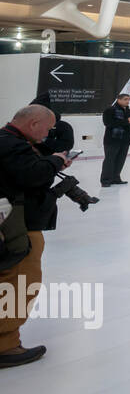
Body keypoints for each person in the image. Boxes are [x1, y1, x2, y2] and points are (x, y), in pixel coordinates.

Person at [0, 105, 71, 368]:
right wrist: (55, 161)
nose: (48, 133)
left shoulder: (7, 141)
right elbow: (32, 176)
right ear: (33, 124)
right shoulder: (14, 146)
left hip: (9, 223)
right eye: (47, 128)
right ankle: (5, 346)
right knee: (18, 283)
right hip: (18, 227)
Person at [100, 92, 130, 186]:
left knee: (120, 160)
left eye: (128, 99)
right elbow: (108, 123)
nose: (127, 101)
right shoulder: (109, 110)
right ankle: (105, 181)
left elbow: (129, 125)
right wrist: (127, 121)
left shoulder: (129, 111)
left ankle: (116, 178)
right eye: (125, 99)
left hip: (125, 140)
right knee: (110, 160)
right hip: (112, 140)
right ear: (119, 99)